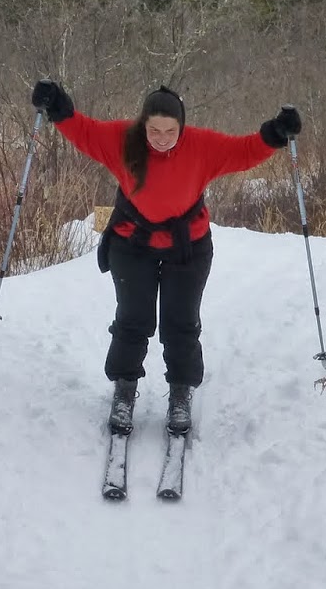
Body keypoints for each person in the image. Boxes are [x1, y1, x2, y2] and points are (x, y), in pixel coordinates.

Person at [30, 80, 302, 437]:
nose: (161, 138)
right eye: (154, 130)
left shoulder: (201, 146)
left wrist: (276, 132)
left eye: (170, 131)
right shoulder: (122, 140)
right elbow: (82, 130)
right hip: (132, 244)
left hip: (187, 247)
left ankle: (180, 394)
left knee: (181, 323)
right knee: (132, 319)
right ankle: (124, 389)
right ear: (143, 125)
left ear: (182, 127)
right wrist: (57, 105)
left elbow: (245, 150)